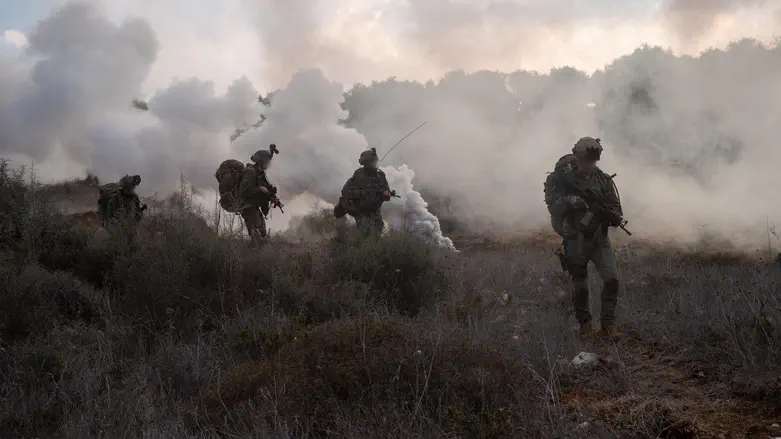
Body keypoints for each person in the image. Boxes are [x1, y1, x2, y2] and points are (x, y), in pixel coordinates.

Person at [544, 137, 624, 338]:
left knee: (612, 279)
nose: (589, 165)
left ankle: (608, 325)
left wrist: (613, 216)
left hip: (599, 238)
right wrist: (569, 201)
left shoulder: (603, 180)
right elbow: (553, 207)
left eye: (593, 161)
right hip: (575, 238)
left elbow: (616, 208)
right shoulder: (561, 180)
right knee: (580, 285)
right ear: (577, 158)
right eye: (586, 161)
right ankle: (585, 325)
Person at [335, 148, 394, 238]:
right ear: (365, 163)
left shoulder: (380, 176)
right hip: (360, 209)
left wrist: (386, 194)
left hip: (374, 210)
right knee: (365, 231)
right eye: (371, 162)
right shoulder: (358, 175)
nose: (373, 164)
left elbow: (387, 195)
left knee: (377, 231)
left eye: (374, 161)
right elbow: (345, 191)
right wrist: (361, 193)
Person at [239, 146, 281, 245]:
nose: (269, 164)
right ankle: (253, 256)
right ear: (262, 161)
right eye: (267, 161)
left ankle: (255, 252)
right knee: (257, 233)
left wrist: (274, 198)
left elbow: (268, 189)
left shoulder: (260, 173)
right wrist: (260, 189)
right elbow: (244, 192)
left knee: (262, 232)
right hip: (247, 206)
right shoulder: (250, 172)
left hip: (254, 206)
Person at [97, 174, 146, 243]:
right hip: (115, 225)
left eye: (133, 186)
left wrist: (141, 210)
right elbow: (110, 215)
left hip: (127, 226)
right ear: (124, 187)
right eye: (130, 187)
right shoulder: (116, 198)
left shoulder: (135, 197)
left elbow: (136, 213)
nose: (132, 188)